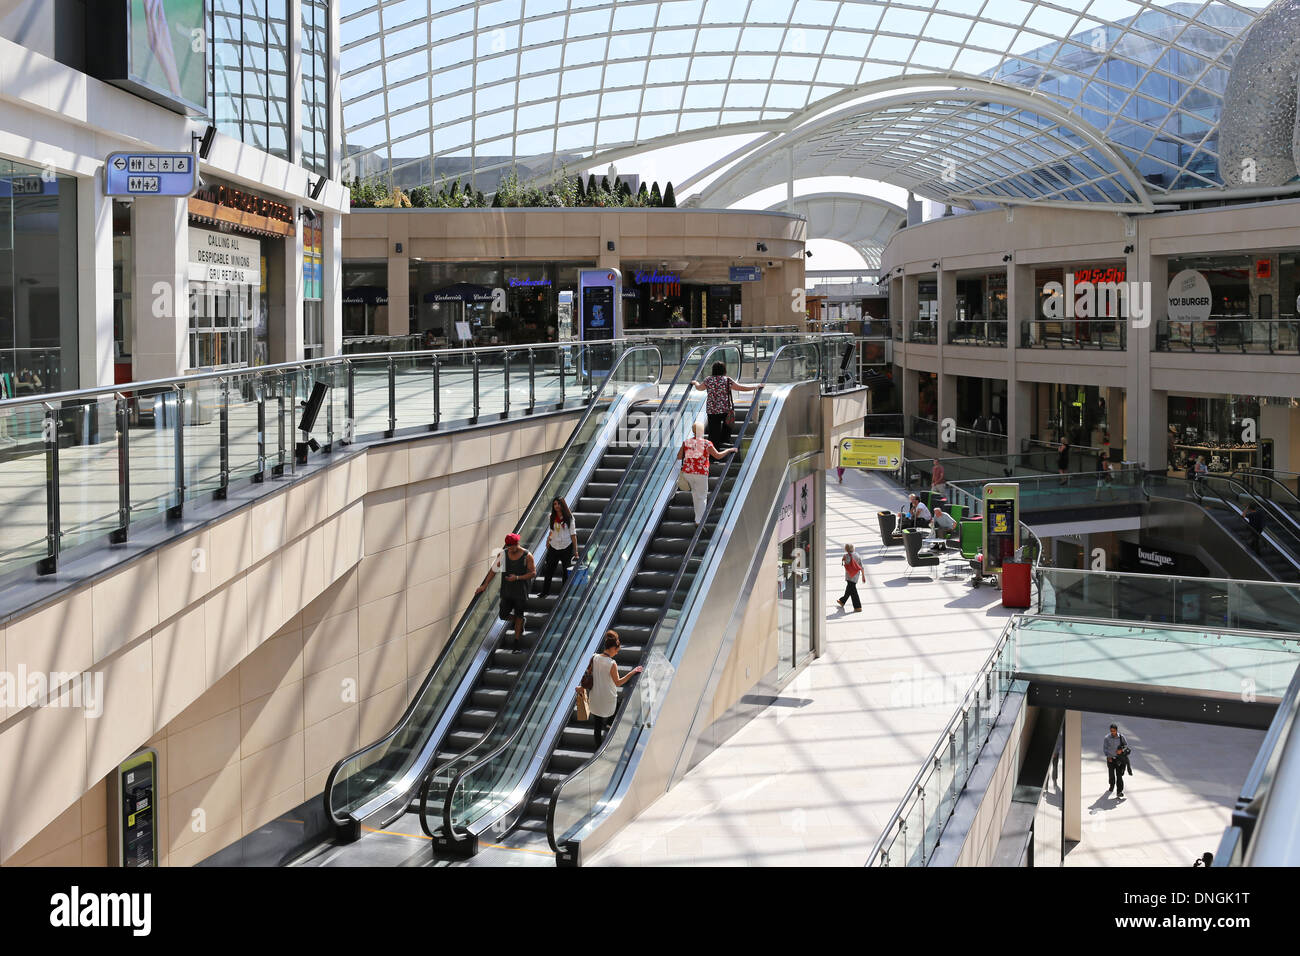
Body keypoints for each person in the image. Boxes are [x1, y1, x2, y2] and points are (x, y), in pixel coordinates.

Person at [475, 532, 535, 647]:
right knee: (503, 615)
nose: (510, 548)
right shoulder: (503, 554)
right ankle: (520, 621)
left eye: (512, 546)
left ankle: (516, 642)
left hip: (520, 592)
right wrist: (485, 585)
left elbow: (533, 573)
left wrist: (517, 578)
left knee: (519, 614)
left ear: (517, 544)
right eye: (508, 546)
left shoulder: (527, 556)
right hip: (507, 592)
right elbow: (493, 570)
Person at [587, 631, 643, 746]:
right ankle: (609, 723)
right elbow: (618, 682)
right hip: (607, 697)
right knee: (619, 704)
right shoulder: (612, 663)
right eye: (616, 651)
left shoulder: (594, 657)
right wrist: (632, 672)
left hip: (594, 696)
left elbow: (588, 673)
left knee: (597, 725)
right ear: (612, 648)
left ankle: (598, 747)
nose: (616, 653)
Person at [677, 421, 736, 523]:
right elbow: (717, 456)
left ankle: (697, 518)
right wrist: (728, 450)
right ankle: (700, 521)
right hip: (700, 473)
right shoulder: (706, 443)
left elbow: (679, 456)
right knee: (702, 496)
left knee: (695, 495)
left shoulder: (686, 442)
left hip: (688, 472)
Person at [691, 361, 759, 450]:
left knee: (713, 432)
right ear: (724, 370)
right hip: (725, 410)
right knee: (728, 425)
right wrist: (755, 387)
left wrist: (695, 382)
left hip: (712, 411)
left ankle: (714, 452)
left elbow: (699, 388)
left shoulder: (708, 380)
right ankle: (724, 441)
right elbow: (741, 388)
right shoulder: (727, 380)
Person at [537, 497, 578, 598]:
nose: (557, 506)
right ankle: (545, 592)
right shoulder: (551, 517)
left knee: (565, 571)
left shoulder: (569, 517)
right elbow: (552, 530)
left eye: (559, 504)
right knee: (549, 570)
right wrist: (548, 540)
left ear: (562, 505)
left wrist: (576, 551)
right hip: (554, 547)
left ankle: (564, 594)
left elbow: (573, 534)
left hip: (566, 547)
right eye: (555, 504)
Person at [1103, 723, 1131, 797]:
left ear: (1116, 730)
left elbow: (1126, 746)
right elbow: (1105, 748)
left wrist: (1121, 750)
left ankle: (1119, 791)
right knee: (1111, 775)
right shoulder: (1107, 738)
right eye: (1111, 731)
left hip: (1119, 760)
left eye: (1114, 731)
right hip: (1110, 760)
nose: (1113, 732)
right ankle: (1111, 785)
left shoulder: (1121, 737)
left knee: (1119, 776)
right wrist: (1108, 756)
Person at [837, 543, 863, 612]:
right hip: (856, 575)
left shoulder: (846, 555)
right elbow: (861, 565)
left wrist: (844, 559)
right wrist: (863, 575)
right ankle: (842, 601)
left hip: (850, 575)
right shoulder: (857, 555)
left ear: (846, 549)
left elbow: (847, 563)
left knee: (853, 590)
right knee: (850, 589)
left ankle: (858, 607)